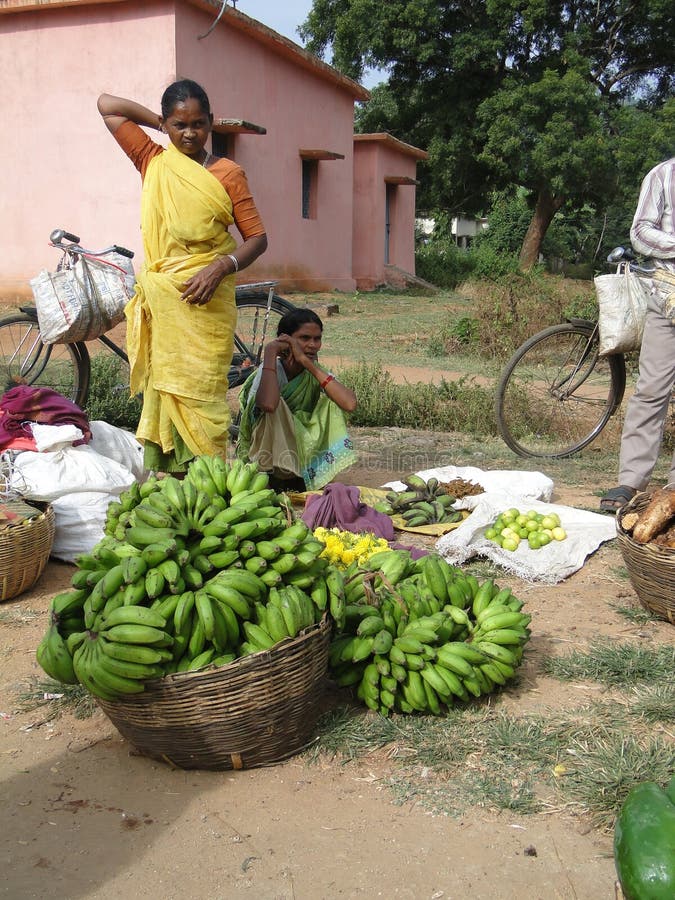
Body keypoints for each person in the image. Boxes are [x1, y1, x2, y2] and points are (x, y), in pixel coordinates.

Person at [97, 80, 268, 473]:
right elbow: (108, 107)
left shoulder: (228, 173)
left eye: (198, 124)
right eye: (179, 125)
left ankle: (208, 479)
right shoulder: (153, 160)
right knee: (167, 389)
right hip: (165, 302)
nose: (189, 133)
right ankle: (169, 480)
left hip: (209, 304)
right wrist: (156, 124)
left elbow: (258, 238)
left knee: (206, 392)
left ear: (212, 122)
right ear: (166, 124)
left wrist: (221, 266)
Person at [601, 157, 675, 510]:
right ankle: (630, 482)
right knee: (650, 389)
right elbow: (641, 231)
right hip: (667, 295)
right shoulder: (664, 174)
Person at [236, 308, 357, 491]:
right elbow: (268, 405)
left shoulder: (313, 370)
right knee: (275, 406)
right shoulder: (271, 369)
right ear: (284, 339)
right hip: (264, 446)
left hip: (296, 445)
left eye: (317, 339)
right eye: (304, 338)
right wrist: (270, 353)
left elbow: (349, 403)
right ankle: (268, 476)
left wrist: (307, 363)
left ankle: (303, 473)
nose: (312, 345)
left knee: (332, 404)